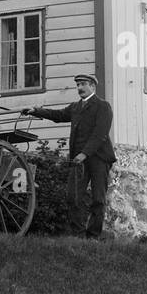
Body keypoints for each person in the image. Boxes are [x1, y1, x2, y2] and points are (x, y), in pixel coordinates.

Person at [28, 74, 116, 239]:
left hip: (99, 158)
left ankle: (93, 236)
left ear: (92, 87)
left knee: (98, 199)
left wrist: (84, 153)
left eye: (83, 84)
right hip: (78, 160)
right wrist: (36, 111)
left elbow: (100, 134)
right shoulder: (75, 107)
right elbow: (59, 115)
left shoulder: (103, 106)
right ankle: (79, 235)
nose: (80, 88)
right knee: (73, 196)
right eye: (78, 85)